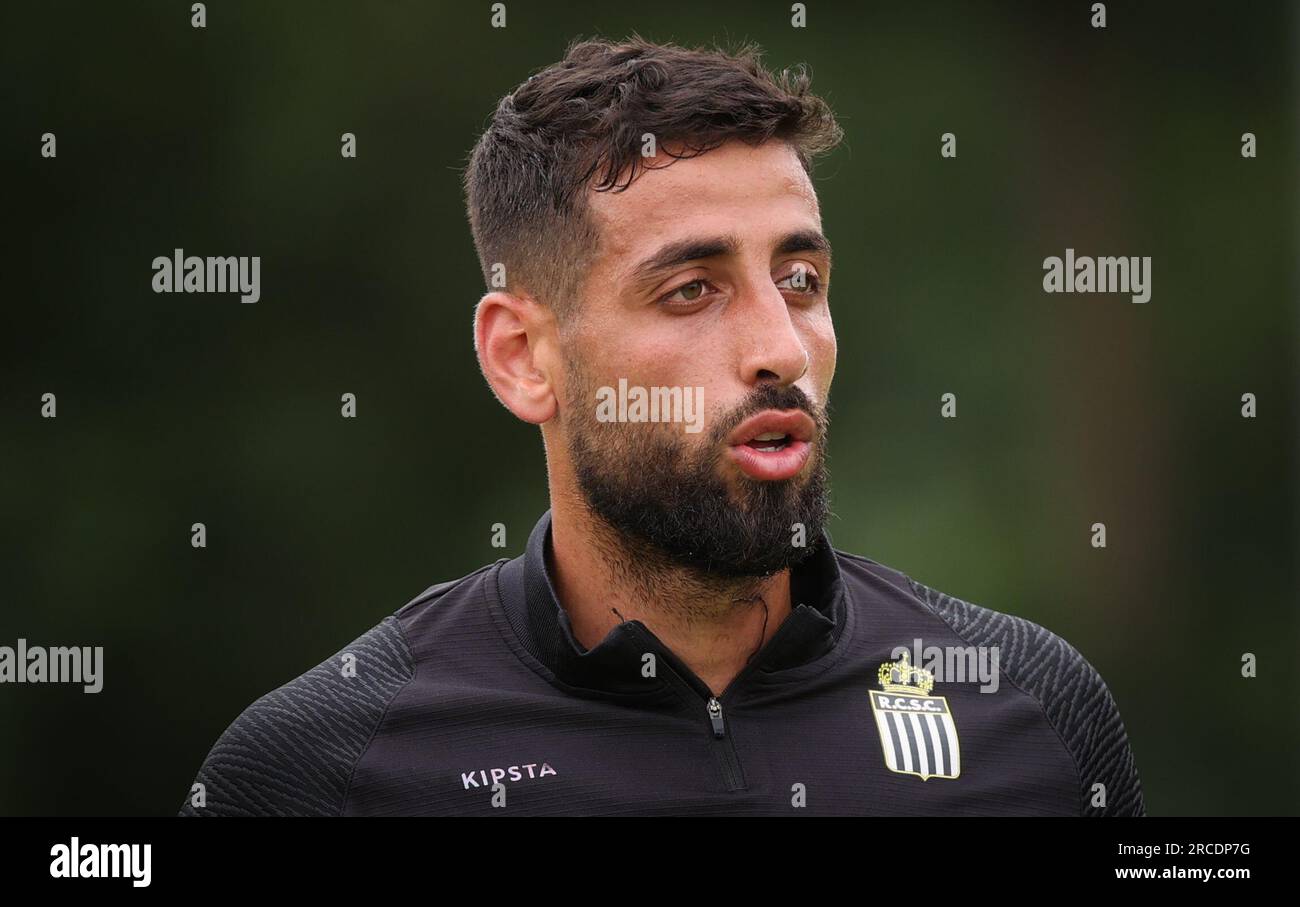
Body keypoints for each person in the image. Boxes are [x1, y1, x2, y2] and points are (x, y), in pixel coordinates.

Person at [179, 34, 1144, 816]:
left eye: (800, 281)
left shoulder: (1032, 711)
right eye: (692, 291)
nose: (782, 348)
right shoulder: (319, 771)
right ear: (523, 356)